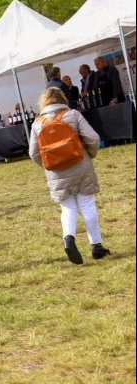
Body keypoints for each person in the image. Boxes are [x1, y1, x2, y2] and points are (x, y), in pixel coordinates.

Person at [29, 87, 111, 265]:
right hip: (80, 165)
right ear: (62, 99)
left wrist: (48, 166)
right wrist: (89, 154)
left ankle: (68, 239)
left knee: (68, 208)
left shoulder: (37, 123)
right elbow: (93, 138)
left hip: (56, 172)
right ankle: (96, 245)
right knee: (87, 204)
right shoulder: (73, 114)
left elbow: (33, 153)